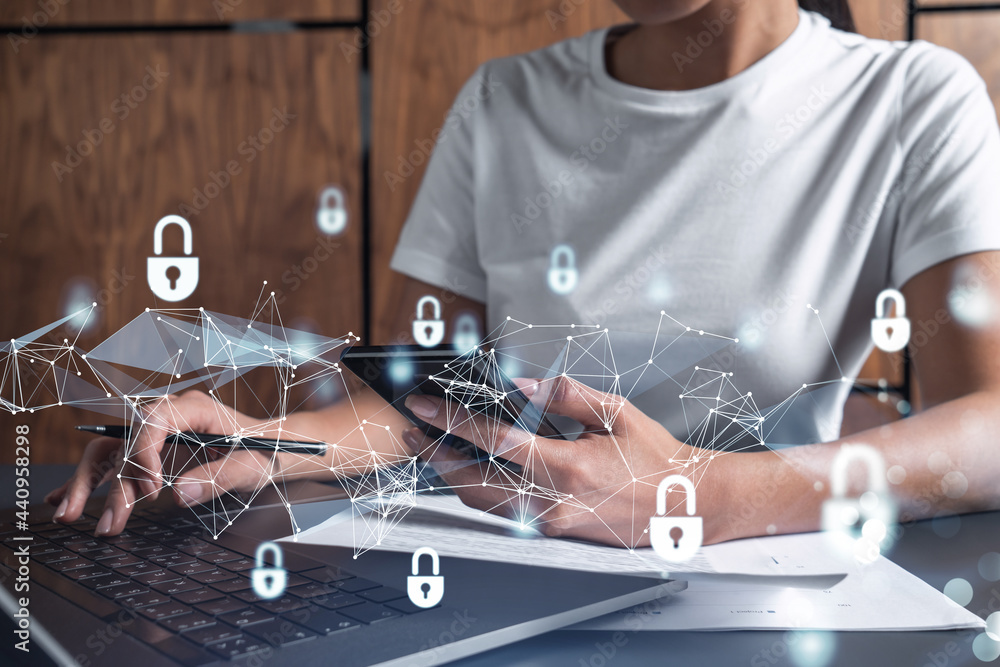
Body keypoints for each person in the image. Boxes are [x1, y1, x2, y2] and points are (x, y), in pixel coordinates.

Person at [48, 0, 1000, 547]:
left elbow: (991, 427)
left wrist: (701, 494)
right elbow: (420, 401)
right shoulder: (504, 102)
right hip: (498, 569)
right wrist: (268, 438)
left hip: (773, 591)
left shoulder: (910, 101)